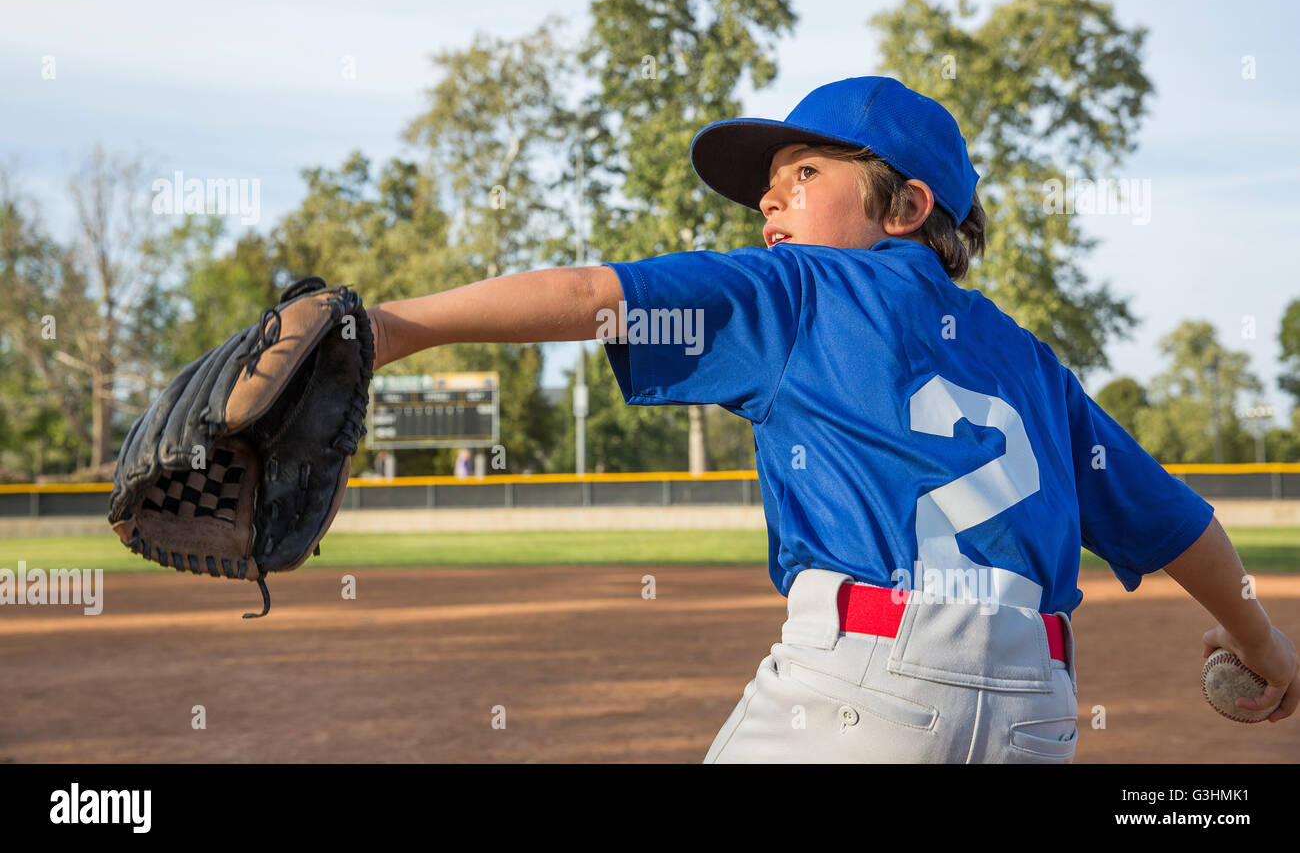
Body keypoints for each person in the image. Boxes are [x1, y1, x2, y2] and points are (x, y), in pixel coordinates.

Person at [365, 75, 1298, 762]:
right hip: (1037, 710)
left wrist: (386, 330)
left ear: (906, 207)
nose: (769, 198)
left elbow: (586, 294)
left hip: (862, 692)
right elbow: (1180, 524)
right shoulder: (1028, 361)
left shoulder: (796, 288)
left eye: (803, 171)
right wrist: (1261, 644)